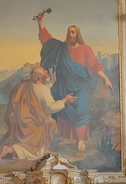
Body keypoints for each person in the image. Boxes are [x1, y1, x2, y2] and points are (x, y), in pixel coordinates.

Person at [36, 10, 114, 151]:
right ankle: (69, 138)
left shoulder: (85, 49)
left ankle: (81, 140)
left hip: (81, 86)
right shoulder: (61, 48)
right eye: (68, 32)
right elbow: (47, 40)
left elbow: (95, 66)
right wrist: (40, 22)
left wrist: (106, 78)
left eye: (72, 32)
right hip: (64, 85)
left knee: (80, 110)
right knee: (64, 110)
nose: (70, 34)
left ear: (77, 34)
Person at [0, 66, 76, 163]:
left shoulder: (26, 84)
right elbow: (52, 107)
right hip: (33, 124)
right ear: (39, 75)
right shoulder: (42, 89)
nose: (46, 71)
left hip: (22, 122)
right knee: (51, 123)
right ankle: (10, 149)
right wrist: (65, 100)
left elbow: (40, 90)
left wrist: (52, 82)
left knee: (49, 122)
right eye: (44, 71)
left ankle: (41, 149)